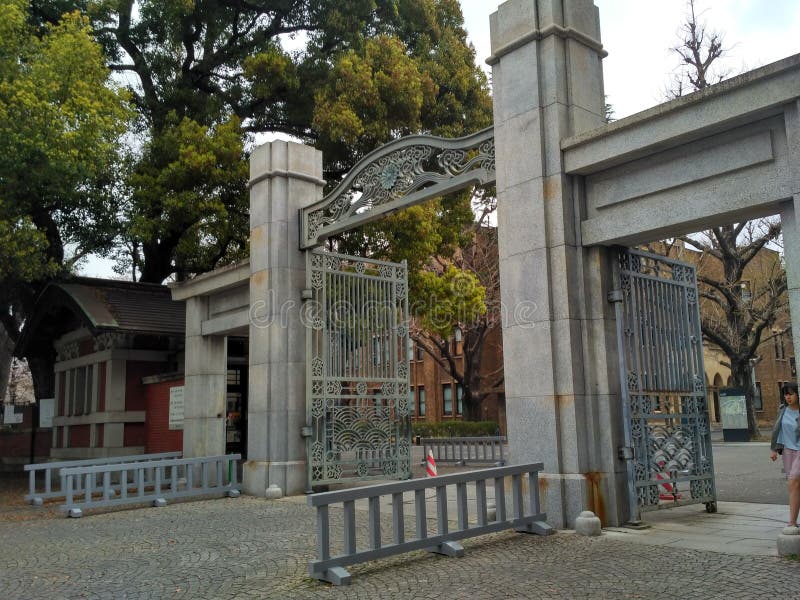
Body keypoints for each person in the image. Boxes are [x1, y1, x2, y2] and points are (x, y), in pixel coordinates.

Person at [770, 382, 800, 531]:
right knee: (794, 486)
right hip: (788, 451)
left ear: (797, 394)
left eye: (791, 394)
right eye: (786, 394)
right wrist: (774, 449)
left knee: (793, 481)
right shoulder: (783, 410)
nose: (788, 397)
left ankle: (792, 522)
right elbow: (777, 429)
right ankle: (793, 522)